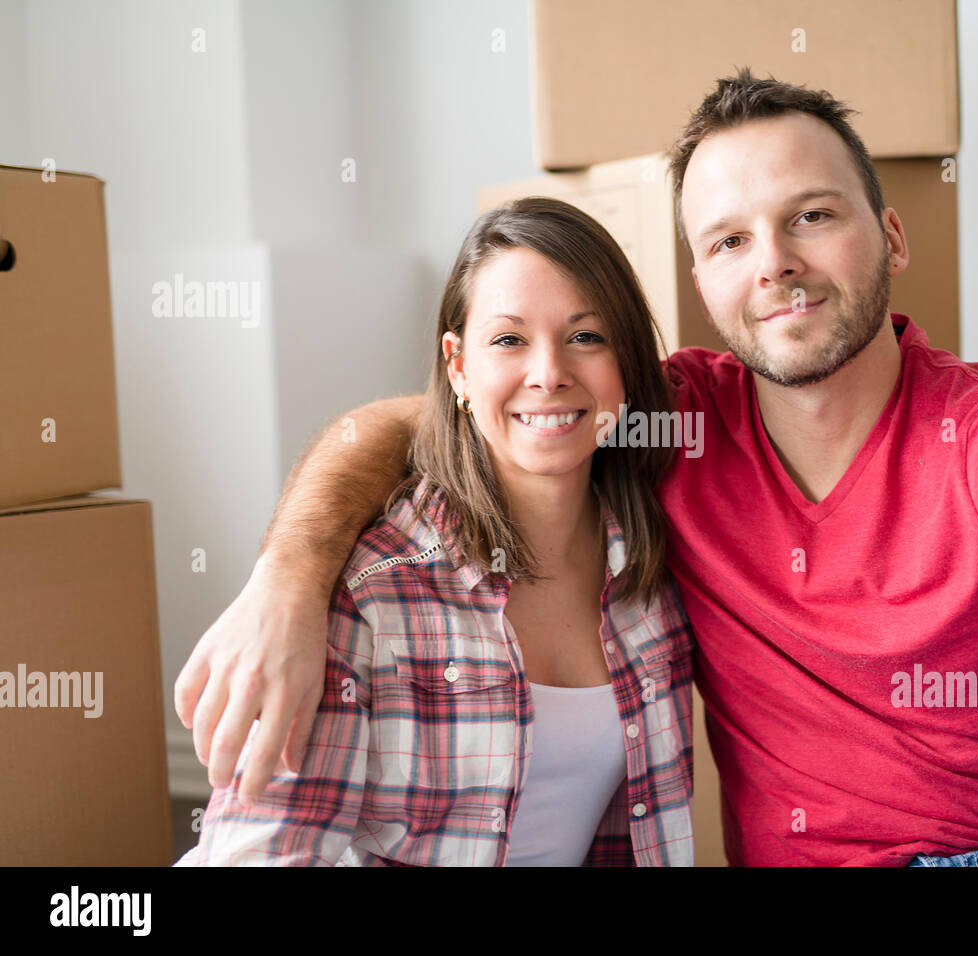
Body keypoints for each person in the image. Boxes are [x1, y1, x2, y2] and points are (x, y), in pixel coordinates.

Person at [176, 70, 978, 867]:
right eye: (729, 240)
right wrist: (285, 577)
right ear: (700, 275)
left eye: (812, 216)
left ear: (890, 237)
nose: (777, 267)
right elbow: (432, 421)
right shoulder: (669, 419)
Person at [176, 197, 694, 866]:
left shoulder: (653, 569)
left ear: (628, 361)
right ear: (457, 366)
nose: (549, 373)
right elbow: (260, 856)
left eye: (586, 337)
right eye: (509, 340)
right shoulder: (371, 593)